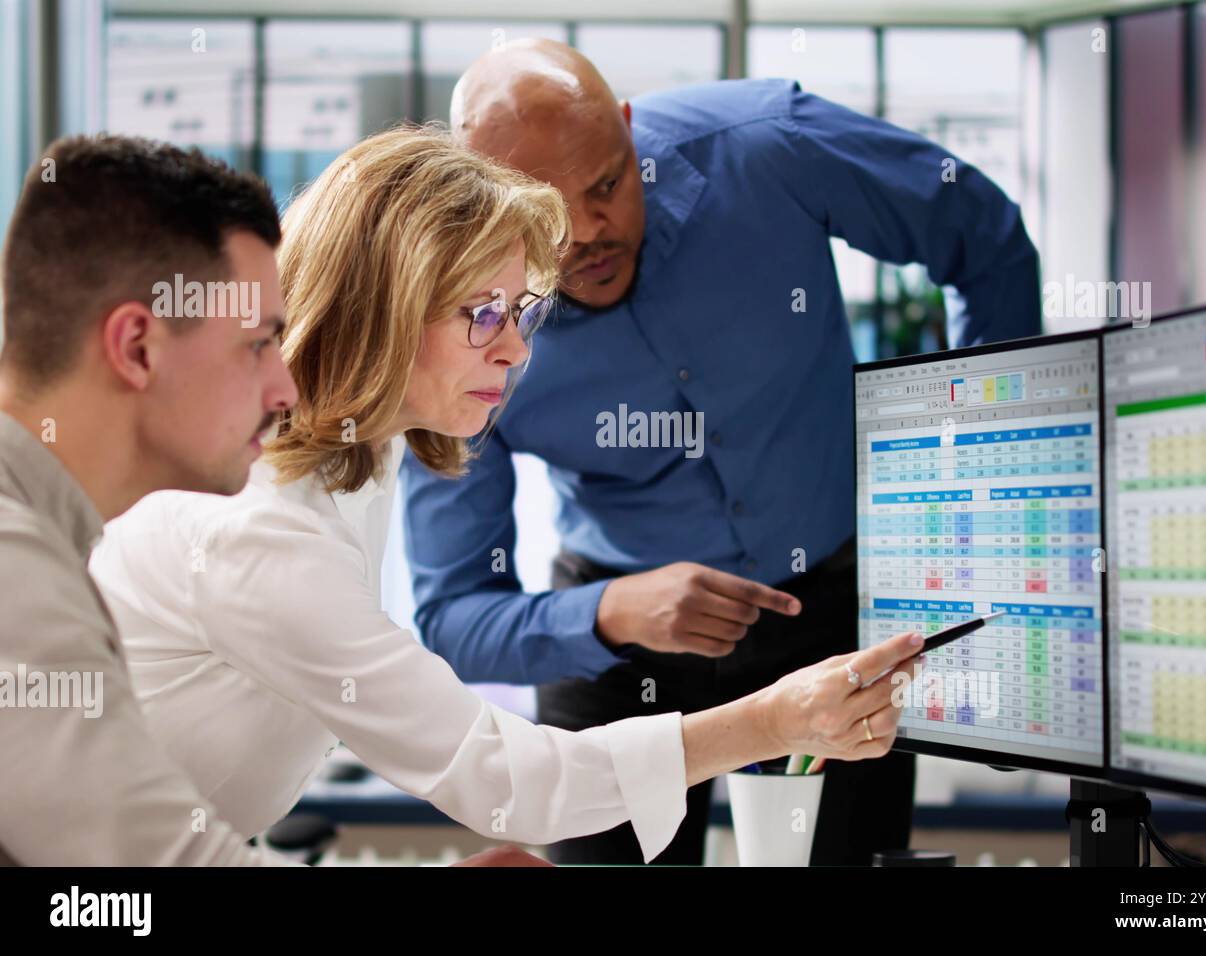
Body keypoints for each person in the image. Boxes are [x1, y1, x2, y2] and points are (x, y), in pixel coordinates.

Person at [90, 125, 928, 863]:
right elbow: (507, 781)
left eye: (522, 310)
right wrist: (777, 722)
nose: (518, 351)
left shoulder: (356, 454)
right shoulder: (256, 524)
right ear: (382, 307)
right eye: (481, 314)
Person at [401, 39, 1043, 864]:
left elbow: (983, 236)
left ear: (629, 133)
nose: (591, 232)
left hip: (835, 617)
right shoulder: (451, 335)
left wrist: (977, 471)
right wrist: (608, 613)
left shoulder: (767, 143)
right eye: (549, 217)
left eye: (608, 184)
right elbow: (453, 616)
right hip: (614, 652)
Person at [0, 134, 297, 865]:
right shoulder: (13, 570)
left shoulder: (41, 541)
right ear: (137, 346)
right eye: (259, 343)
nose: (285, 389)